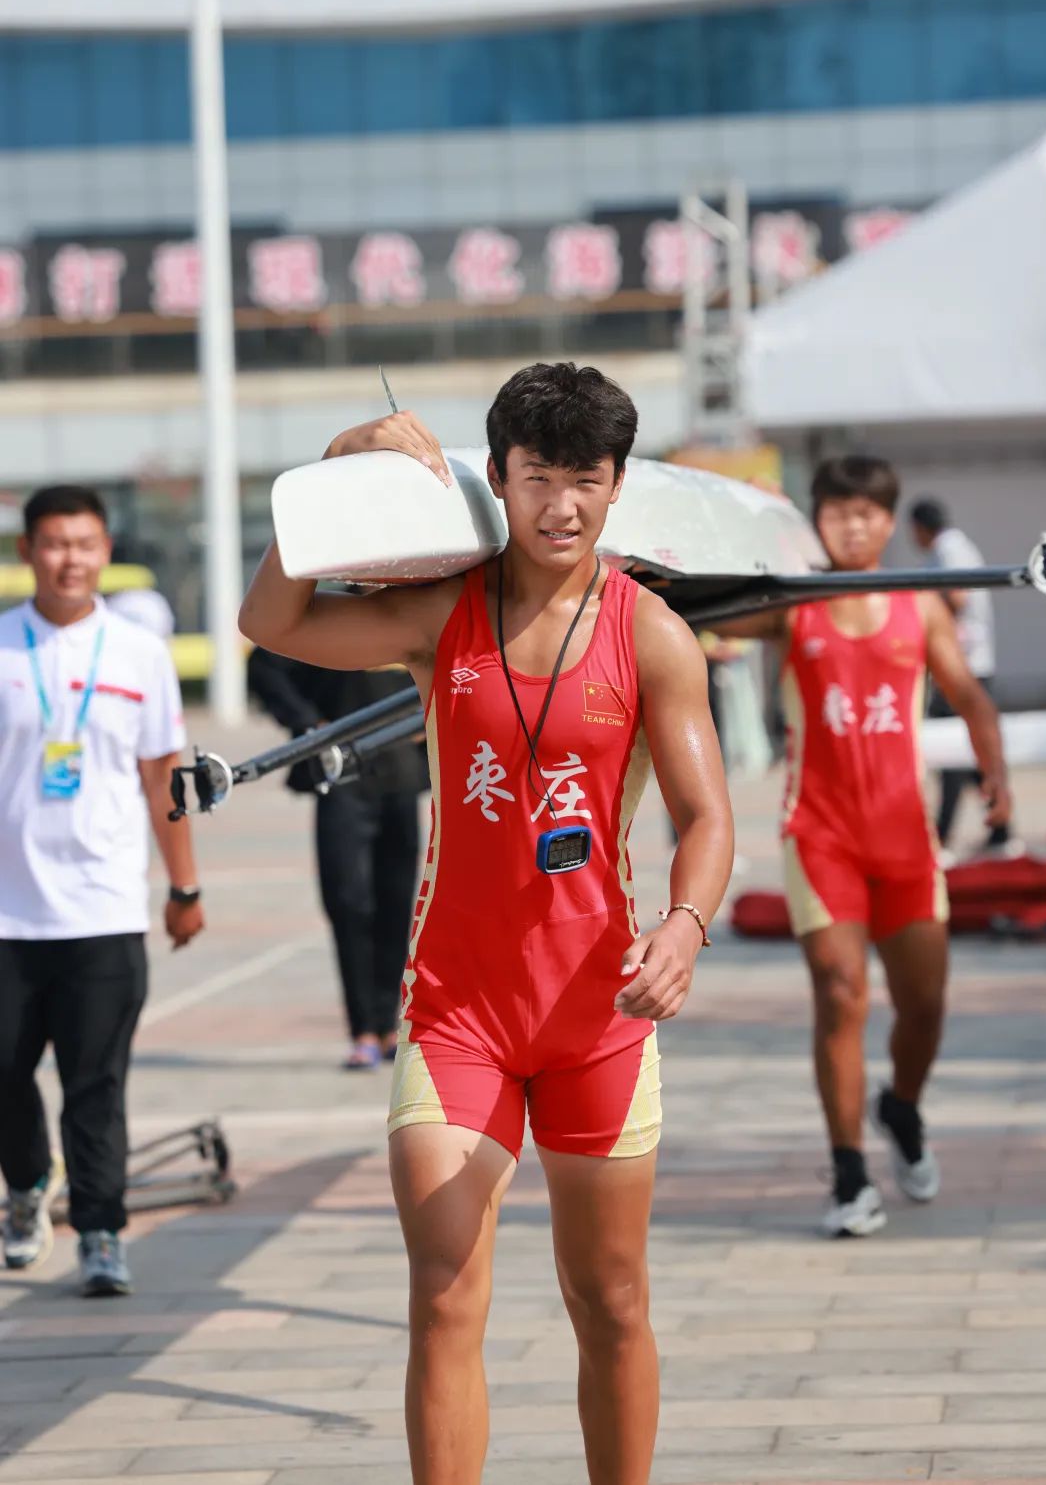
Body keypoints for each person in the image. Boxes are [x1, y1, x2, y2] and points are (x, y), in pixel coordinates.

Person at [239, 362, 734, 1485]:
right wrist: (341, 461)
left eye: (586, 479)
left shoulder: (653, 636)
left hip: (598, 1014)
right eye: (538, 476)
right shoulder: (440, 613)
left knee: (610, 1298)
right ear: (499, 479)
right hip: (458, 1009)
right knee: (444, 1287)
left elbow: (707, 816)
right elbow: (271, 619)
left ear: (617, 486)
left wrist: (684, 925)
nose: (562, 505)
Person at [714, 456, 1010, 1238]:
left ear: (889, 520)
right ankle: (849, 1172)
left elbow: (971, 695)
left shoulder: (921, 605)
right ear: (816, 520)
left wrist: (996, 775)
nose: (853, 525)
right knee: (841, 991)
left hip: (906, 840)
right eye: (838, 511)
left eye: (868, 512)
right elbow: (704, 611)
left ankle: (901, 1107)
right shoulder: (790, 605)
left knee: (925, 1006)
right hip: (821, 837)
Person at [0, 486, 204, 1296]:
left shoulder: (138, 653)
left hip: (104, 908)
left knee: (96, 1082)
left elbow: (162, 778)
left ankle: (100, 1231)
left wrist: (183, 884)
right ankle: (26, 1185)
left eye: (85, 544)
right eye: (54, 543)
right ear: (28, 552)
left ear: (105, 550)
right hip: (9, 912)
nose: (70, 559)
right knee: (5, 1072)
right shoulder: (3, 647)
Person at [247, 647, 424, 1069]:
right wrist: (309, 725)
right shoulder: (336, 618)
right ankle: (363, 1029)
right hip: (343, 781)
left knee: (397, 904)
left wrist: (432, 719)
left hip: (401, 778)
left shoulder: (414, 615)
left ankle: (388, 1024)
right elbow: (263, 666)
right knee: (347, 902)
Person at [909, 497, 1018, 857]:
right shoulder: (952, 548)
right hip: (963, 662)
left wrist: (922, 606)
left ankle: (943, 837)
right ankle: (1000, 829)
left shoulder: (950, 551)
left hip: (963, 665)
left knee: (952, 753)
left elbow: (958, 598)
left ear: (920, 527)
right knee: (968, 755)